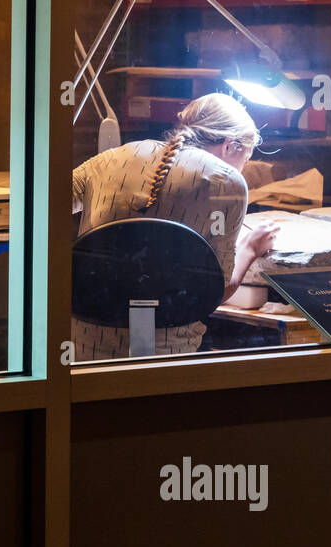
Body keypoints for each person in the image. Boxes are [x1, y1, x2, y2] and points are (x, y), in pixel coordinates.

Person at [70, 92, 279, 358]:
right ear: (230, 146)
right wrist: (250, 247)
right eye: (246, 159)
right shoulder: (227, 182)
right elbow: (216, 292)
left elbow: (45, 204)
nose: (243, 168)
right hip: (168, 353)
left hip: (85, 346)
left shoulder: (109, 159)